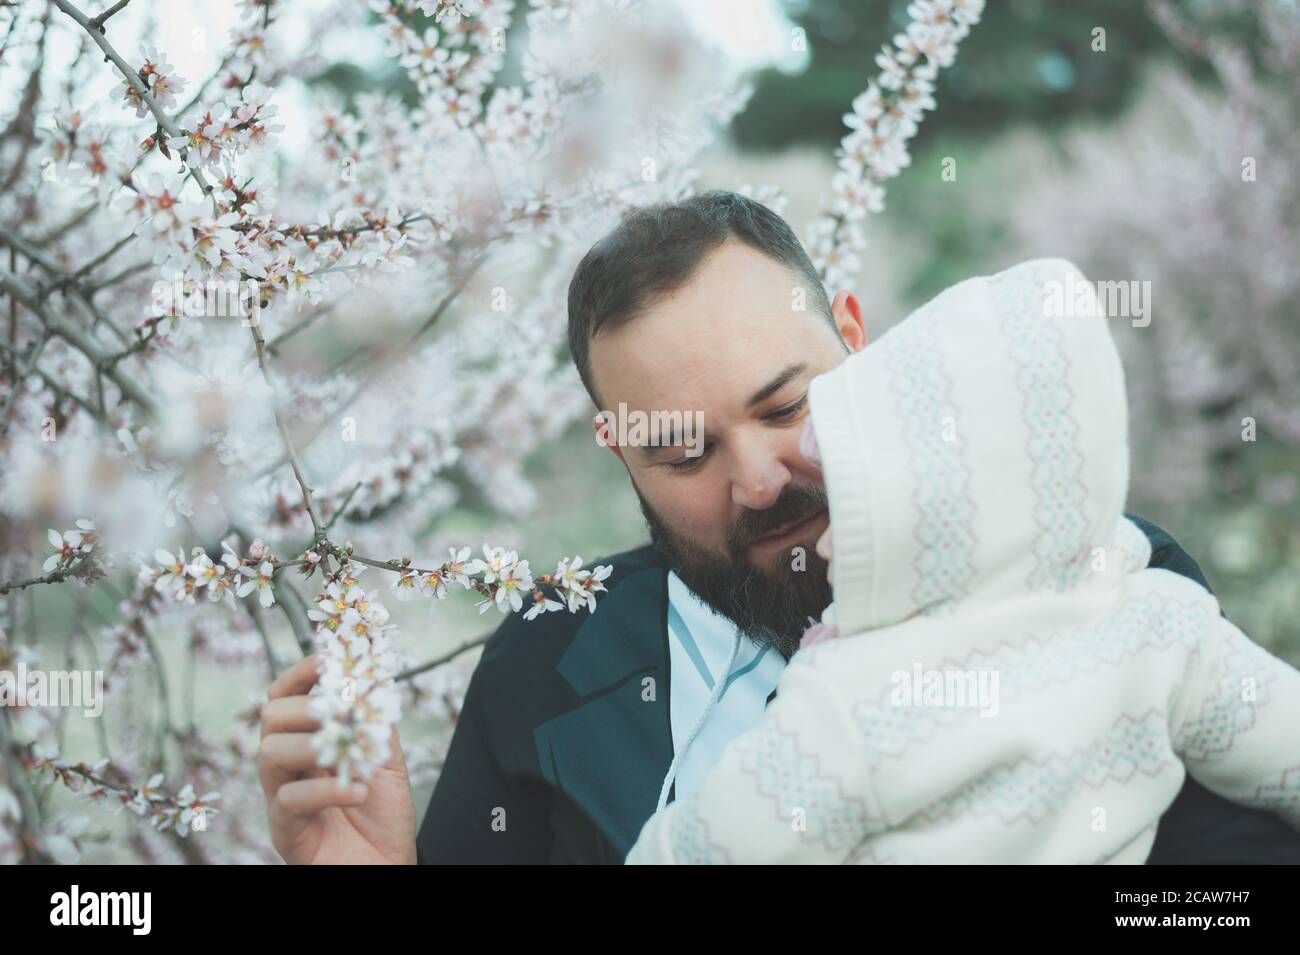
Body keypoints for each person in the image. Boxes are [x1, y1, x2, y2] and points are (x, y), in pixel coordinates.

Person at [259, 191, 1300, 864]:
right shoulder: (542, 663)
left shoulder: (1082, 567)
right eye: (683, 451)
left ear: (853, 336)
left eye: (785, 405)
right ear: (616, 446)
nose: (759, 480)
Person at [625, 257, 1300, 863]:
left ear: (933, 511)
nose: (821, 537)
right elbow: (1282, 749)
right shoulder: (1155, 617)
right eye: (686, 453)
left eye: (856, 515)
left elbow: (708, 847)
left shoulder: (855, 694)